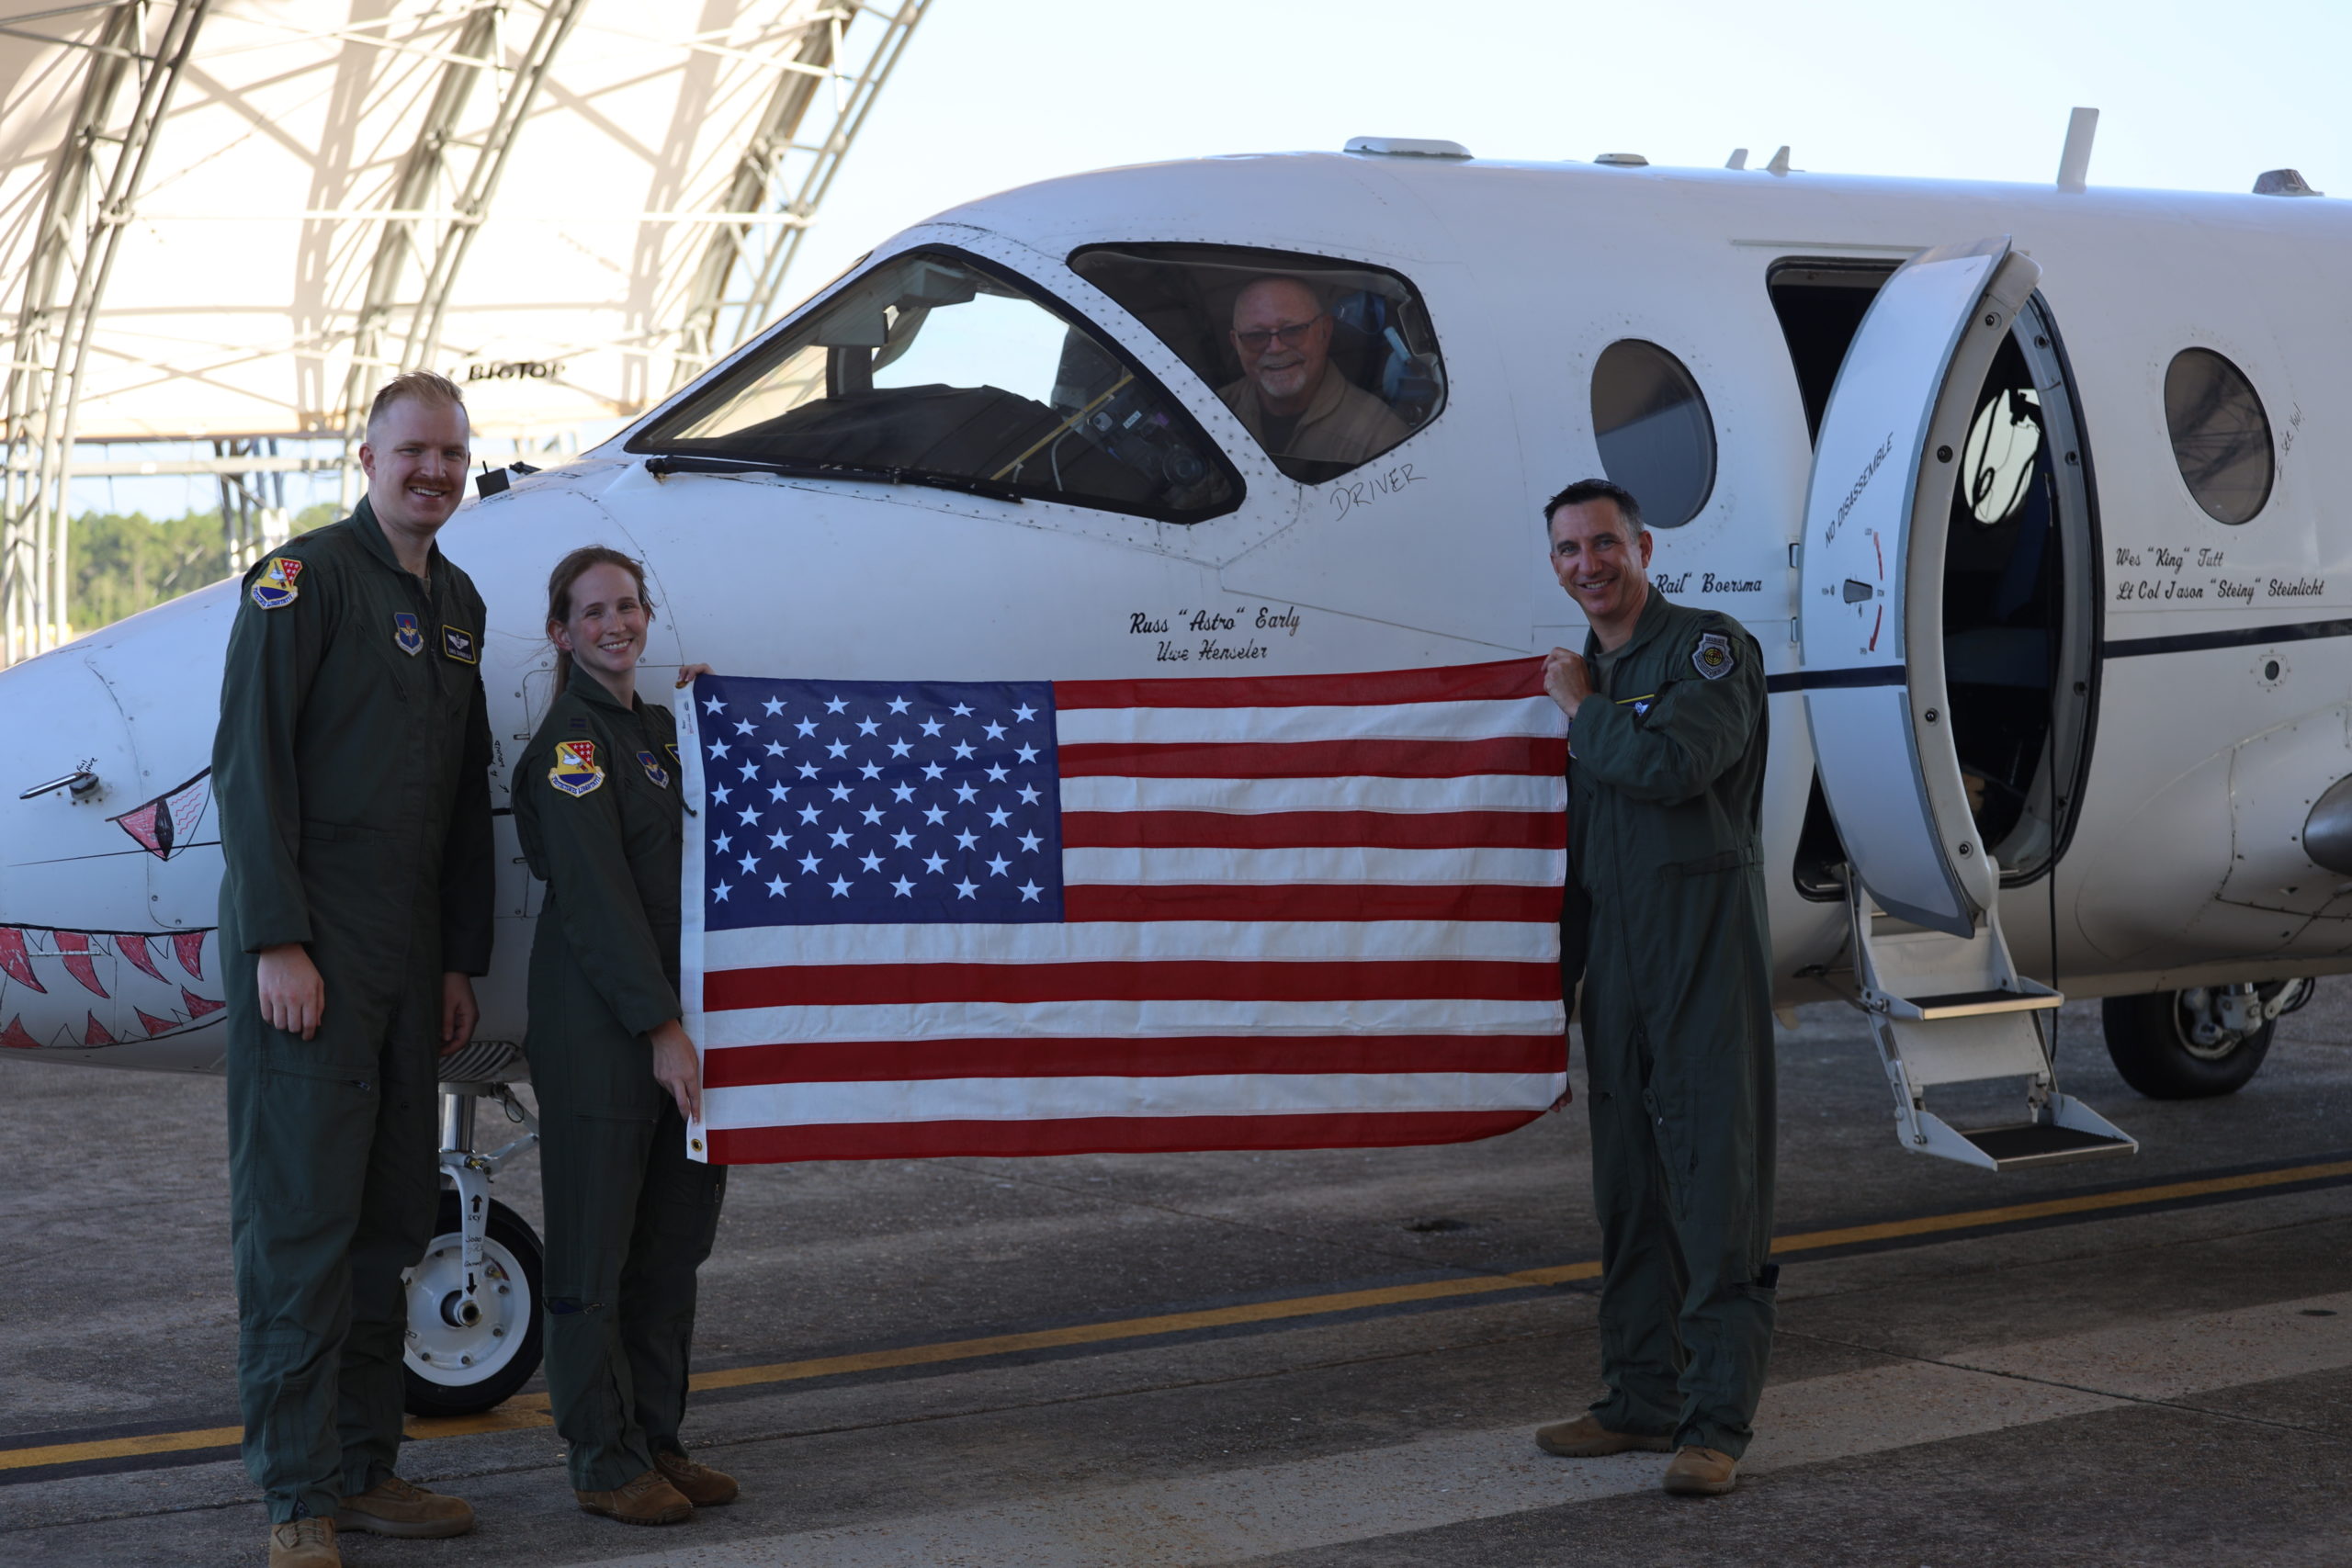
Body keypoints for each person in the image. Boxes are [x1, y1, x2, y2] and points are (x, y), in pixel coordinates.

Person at [213, 372, 492, 1568]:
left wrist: (459, 959)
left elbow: (463, 804)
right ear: (366, 454)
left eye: (451, 452)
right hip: (313, 955)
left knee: (388, 1219)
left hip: (407, 960)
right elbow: (249, 763)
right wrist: (278, 936)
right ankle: (295, 1493)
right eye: (413, 449)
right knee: (302, 1225)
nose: (433, 469)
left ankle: (370, 1466)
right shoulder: (303, 580)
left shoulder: (462, 601)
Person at [1531, 478, 1776, 1497]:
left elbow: (1677, 763)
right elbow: (1580, 846)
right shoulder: (1584, 668)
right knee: (1628, 1192)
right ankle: (1638, 1398)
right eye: (1567, 552)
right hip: (1622, 969)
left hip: (1702, 952)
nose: (1587, 565)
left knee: (1714, 1193)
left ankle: (1713, 1425)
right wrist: (1556, 981)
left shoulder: (1707, 650)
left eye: (1602, 545)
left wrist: (1583, 712)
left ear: (1642, 547)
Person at [513, 547, 731, 1527]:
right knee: (596, 1254)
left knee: (671, 1246)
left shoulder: (654, 732)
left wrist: (713, 722)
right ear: (562, 633)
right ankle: (602, 1458)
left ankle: (657, 1437)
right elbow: (600, 905)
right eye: (593, 611)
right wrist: (660, 1028)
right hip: (609, 1030)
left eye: (629, 606)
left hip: (677, 1027)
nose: (616, 623)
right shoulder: (573, 746)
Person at [1216, 275, 1407, 470]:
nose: (1275, 348)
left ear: (1325, 330)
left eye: (1292, 330)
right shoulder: (1214, 413)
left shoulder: (1379, 439)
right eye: (1256, 336)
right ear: (1236, 343)